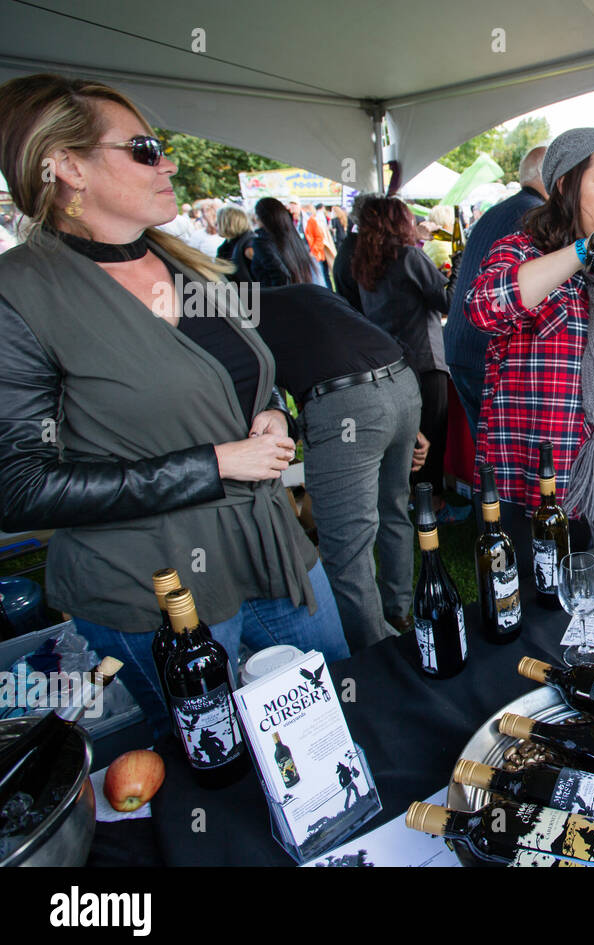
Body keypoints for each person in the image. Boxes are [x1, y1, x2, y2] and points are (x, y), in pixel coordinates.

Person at [0, 74, 349, 735]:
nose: (170, 162)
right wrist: (217, 463)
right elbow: (21, 486)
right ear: (68, 166)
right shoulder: (21, 296)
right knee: (219, 765)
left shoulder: (186, 265)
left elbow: (245, 381)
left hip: (273, 551)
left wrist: (276, 414)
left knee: (329, 722)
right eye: (145, 148)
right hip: (155, 586)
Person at [465, 128, 594, 544]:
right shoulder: (520, 249)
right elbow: (483, 308)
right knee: (536, 595)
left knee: (593, 589)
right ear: (565, 185)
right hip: (533, 472)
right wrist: (581, 252)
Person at [255, 284, 423, 650]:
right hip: (401, 382)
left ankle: (377, 655)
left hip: (347, 404)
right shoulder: (301, 293)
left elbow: (255, 387)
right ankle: (400, 616)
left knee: (348, 550)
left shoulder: (226, 318)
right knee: (393, 508)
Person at [352, 197, 459, 519]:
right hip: (425, 360)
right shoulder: (408, 255)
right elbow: (448, 301)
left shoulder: (365, 261)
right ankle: (432, 506)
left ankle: (410, 499)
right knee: (431, 438)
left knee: (410, 439)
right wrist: (459, 264)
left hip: (390, 365)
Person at [445, 145, 547, 438]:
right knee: (506, 458)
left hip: (461, 347)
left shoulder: (498, 210)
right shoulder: (534, 214)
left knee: (487, 452)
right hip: (488, 352)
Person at [250, 196, 320, 286]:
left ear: (259, 217)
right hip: (301, 292)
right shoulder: (292, 236)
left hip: (278, 296)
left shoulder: (262, 242)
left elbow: (281, 276)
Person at [214, 204, 255, 285]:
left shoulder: (249, 243)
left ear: (228, 223)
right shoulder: (227, 245)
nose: (215, 224)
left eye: (218, 222)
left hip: (253, 294)